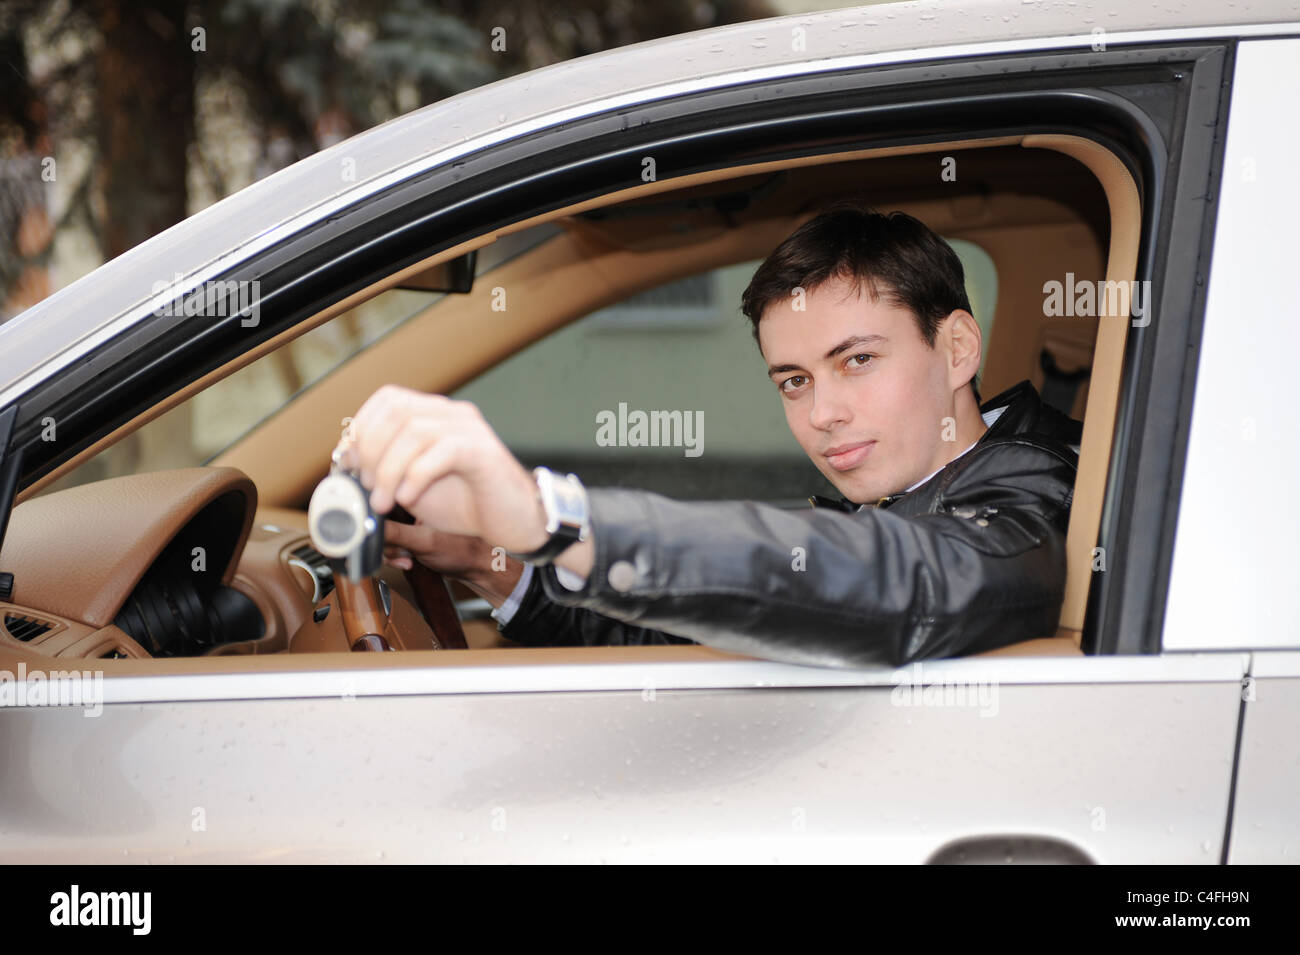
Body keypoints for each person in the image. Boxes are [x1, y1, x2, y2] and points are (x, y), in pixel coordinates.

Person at [335, 206, 1082, 668]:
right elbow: (700, 636)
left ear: (956, 350)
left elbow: (897, 582)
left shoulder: (1038, 498)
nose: (821, 412)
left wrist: (551, 516)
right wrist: (489, 560)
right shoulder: (912, 492)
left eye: (857, 360)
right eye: (794, 379)